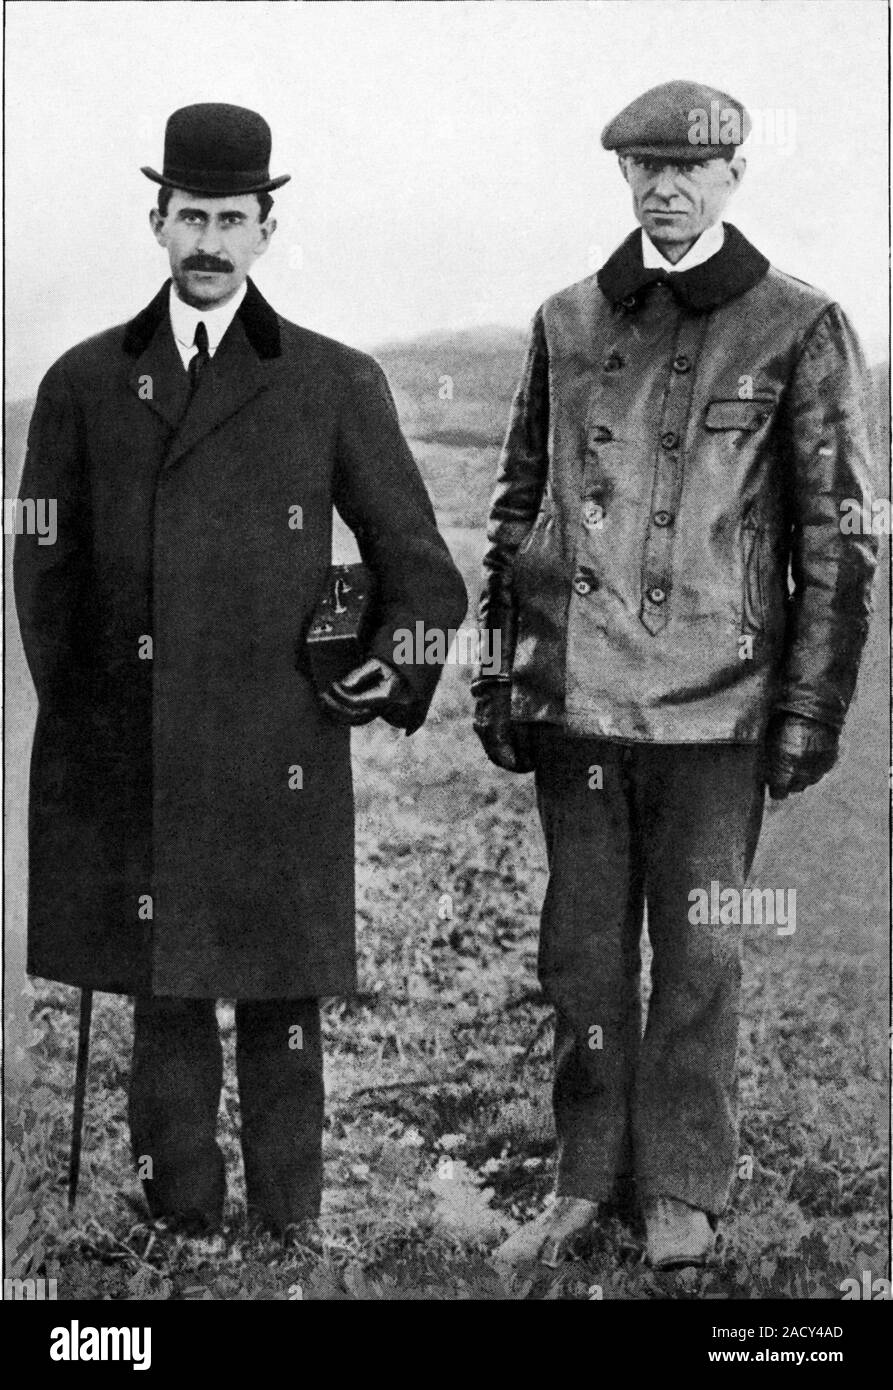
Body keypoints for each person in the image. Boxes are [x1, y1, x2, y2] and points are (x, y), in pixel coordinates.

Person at [15, 102, 467, 1241]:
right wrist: (85, 718)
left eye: (232, 217)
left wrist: (390, 668)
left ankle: (288, 1221)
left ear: (267, 227)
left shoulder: (330, 381)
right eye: (189, 216)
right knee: (164, 985)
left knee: (280, 992)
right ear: (155, 222)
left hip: (278, 749)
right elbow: (41, 560)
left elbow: (423, 569)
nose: (208, 240)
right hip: (141, 741)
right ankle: (183, 1215)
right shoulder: (81, 383)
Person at [471, 80, 877, 1271]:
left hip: (720, 704)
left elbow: (837, 534)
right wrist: (503, 674)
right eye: (642, 166)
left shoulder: (797, 324)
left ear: (732, 175)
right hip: (577, 698)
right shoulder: (565, 319)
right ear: (623, 176)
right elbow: (514, 511)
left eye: (687, 168)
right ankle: (584, 1179)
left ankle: (684, 1188)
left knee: (700, 950)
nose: (662, 186)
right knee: (581, 951)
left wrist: (809, 702)